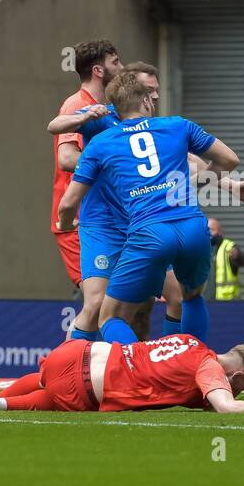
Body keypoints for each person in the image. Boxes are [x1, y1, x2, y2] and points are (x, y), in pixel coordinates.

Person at [56, 69, 239, 345]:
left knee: (109, 317)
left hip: (148, 231)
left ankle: (141, 372)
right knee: (191, 296)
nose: (154, 97)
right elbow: (230, 160)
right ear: (146, 102)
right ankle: (192, 370)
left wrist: (66, 223)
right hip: (192, 226)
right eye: (151, 93)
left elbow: (68, 202)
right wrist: (189, 185)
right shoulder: (177, 125)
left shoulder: (103, 142)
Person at [47, 61, 184, 340]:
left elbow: (184, 160)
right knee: (96, 305)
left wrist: (225, 182)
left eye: (157, 91)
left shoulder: (156, 129)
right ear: (135, 92)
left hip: (142, 225)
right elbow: (54, 126)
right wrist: (83, 119)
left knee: (172, 297)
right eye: (150, 90)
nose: (155, 97)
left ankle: (167, 363)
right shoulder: (102, 118)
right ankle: (70, 370)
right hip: (103, 225)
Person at [0, 334, 244, 415]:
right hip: (88, 383)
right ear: (236, 375)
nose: (239, 393)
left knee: (47, 383)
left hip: (77, 350)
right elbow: (226, 408)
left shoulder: (192, 342)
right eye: (243, 387)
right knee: (64, 398)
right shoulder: (210, 369)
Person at [51, 40, 122, 338]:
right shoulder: (77, 104)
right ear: (98, 69)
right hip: (80, 218)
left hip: (109, 217)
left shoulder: (111, 108)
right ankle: (66, 372)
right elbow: (67, 158)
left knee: (121, 304)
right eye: (116, 62)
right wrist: (117, 166)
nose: (122, 67)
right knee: (96, 303)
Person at [208, 217, 244, 301]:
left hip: (228, 302)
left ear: (220, 231)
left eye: (212, 230)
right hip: (206, 301)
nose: (209, 233)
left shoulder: (228, 247)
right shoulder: (200, 248)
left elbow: (243, 260)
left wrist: (237, 256)